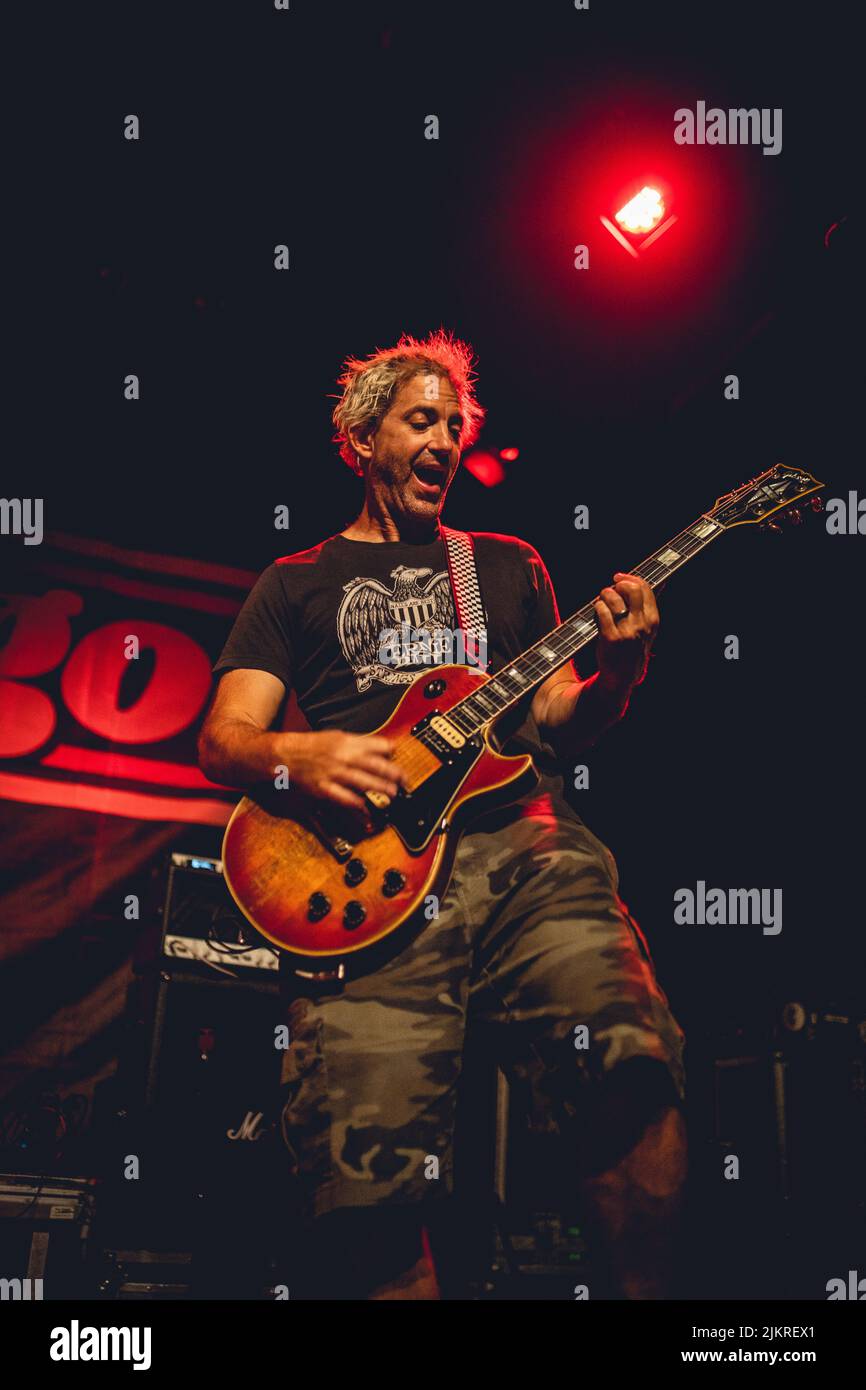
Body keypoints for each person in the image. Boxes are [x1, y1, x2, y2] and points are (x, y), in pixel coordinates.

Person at [198, 329, 686, 1300]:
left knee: (623, 1060)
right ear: (359, 436)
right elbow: (224, 741)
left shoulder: (503, 567)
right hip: (362, 883)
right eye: (422, 420)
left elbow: (552, 722)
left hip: (522, 852)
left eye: (455, 425)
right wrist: (295, 752)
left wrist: (620, 668)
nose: (445, 441)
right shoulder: (292, 582)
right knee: (367, 1183)